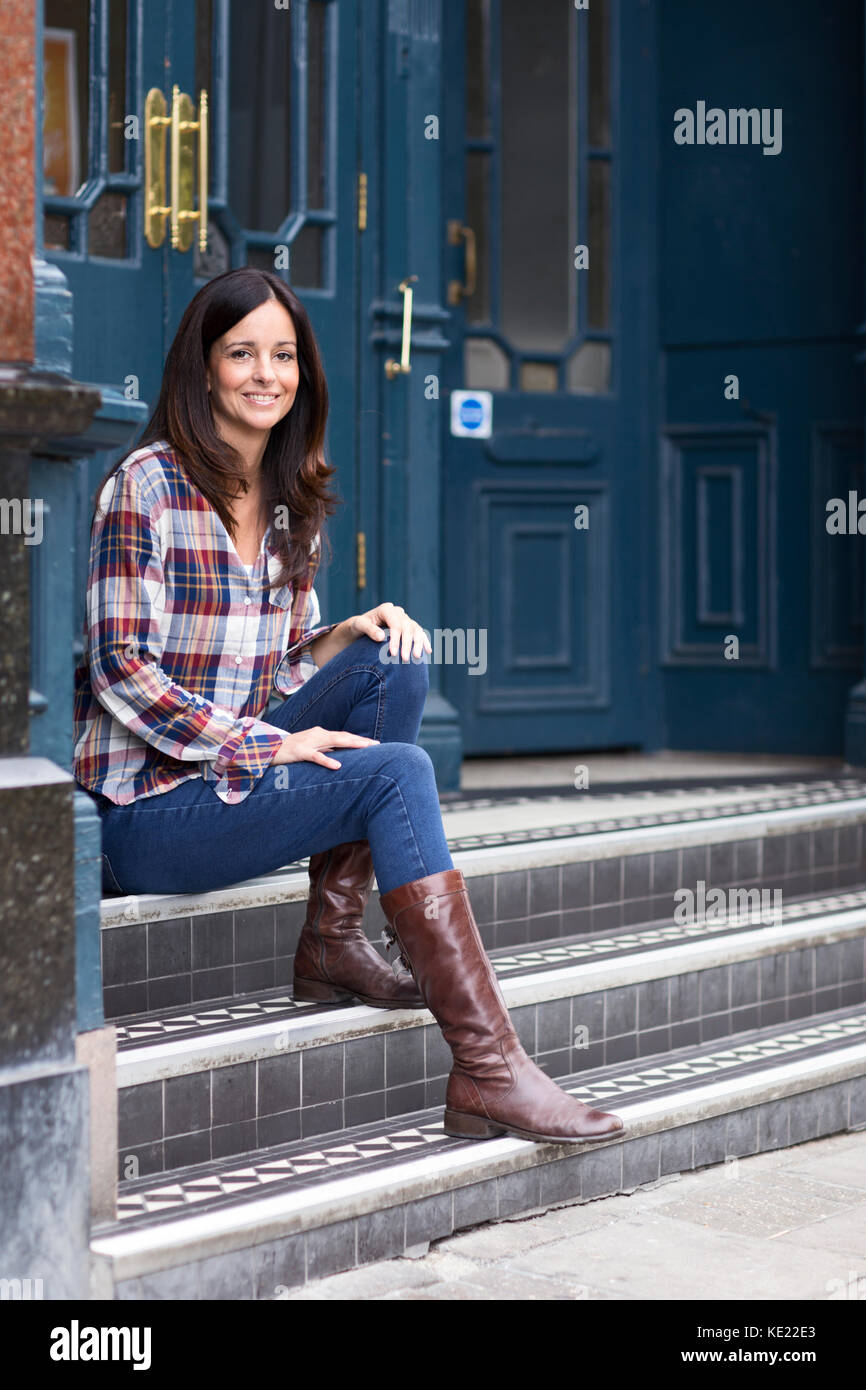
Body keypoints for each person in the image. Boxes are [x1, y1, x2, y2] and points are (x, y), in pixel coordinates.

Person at [73, 267, 624, 1145]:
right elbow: (120, 670)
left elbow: (275, 670)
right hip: (144, 813)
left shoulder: (292, 503)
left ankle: (332, 938)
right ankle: (488, 1069)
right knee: (398, 773)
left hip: (228, 773)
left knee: (390, 661)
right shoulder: (146, 485)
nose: (265, 374)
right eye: (241, 353)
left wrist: (341, 638)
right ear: (202, 368)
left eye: (283, 355)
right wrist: (264, 747)